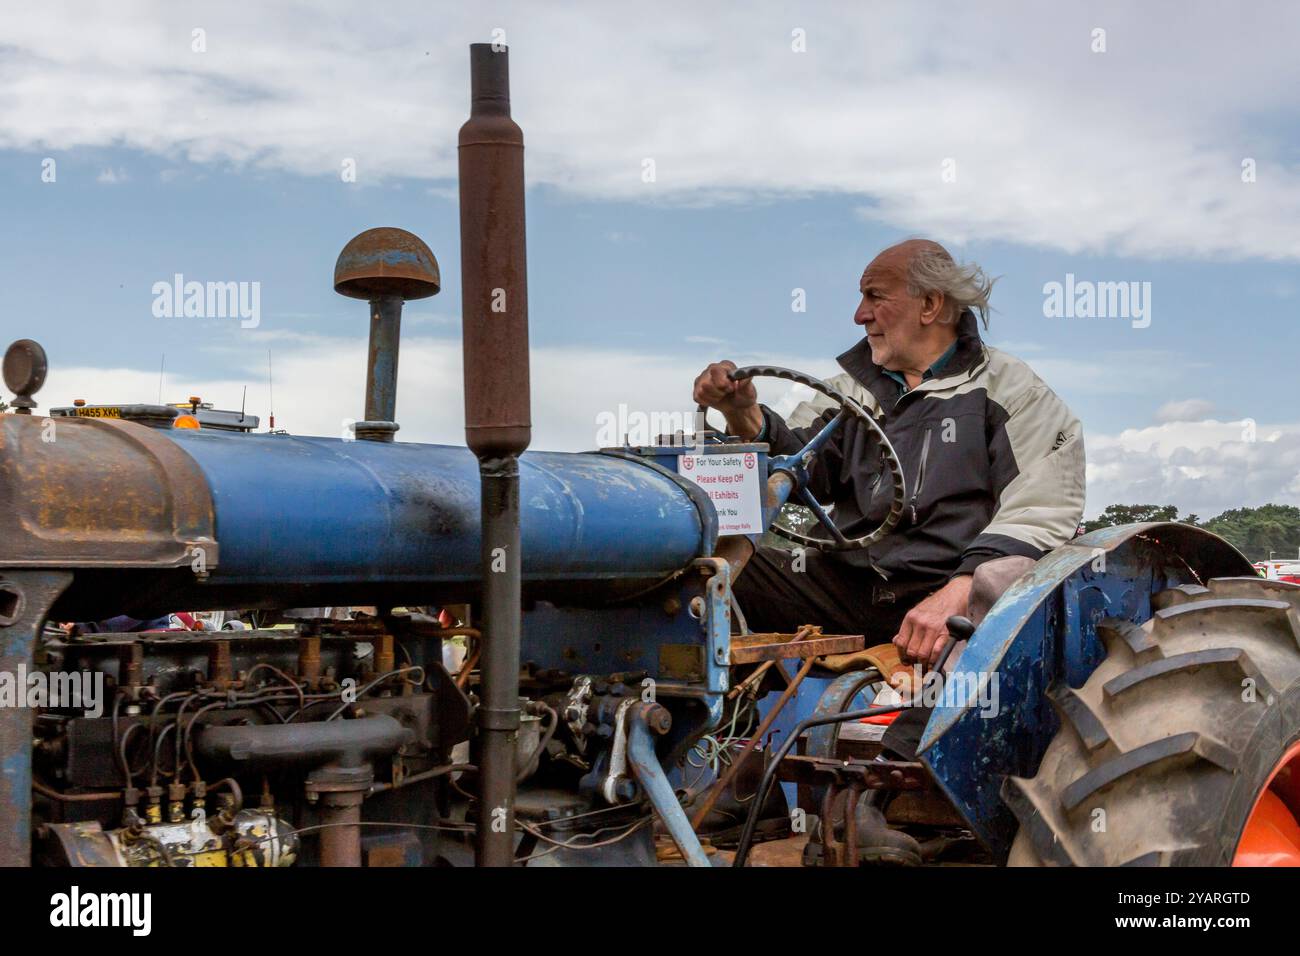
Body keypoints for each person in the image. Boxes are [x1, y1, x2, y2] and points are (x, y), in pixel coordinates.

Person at [693, 239, 1086, 759]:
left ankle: (890, 785)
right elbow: (803, 469)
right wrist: (745, 416)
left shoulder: (1009, 391)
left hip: (947, 587)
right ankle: (723, 755)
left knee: (997, 586)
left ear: (931, 305)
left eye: (875, 297)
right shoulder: (848, 393)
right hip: (856, 584)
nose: (860, 315)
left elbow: (1043, 503)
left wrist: (961, 590)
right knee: (717, 575)